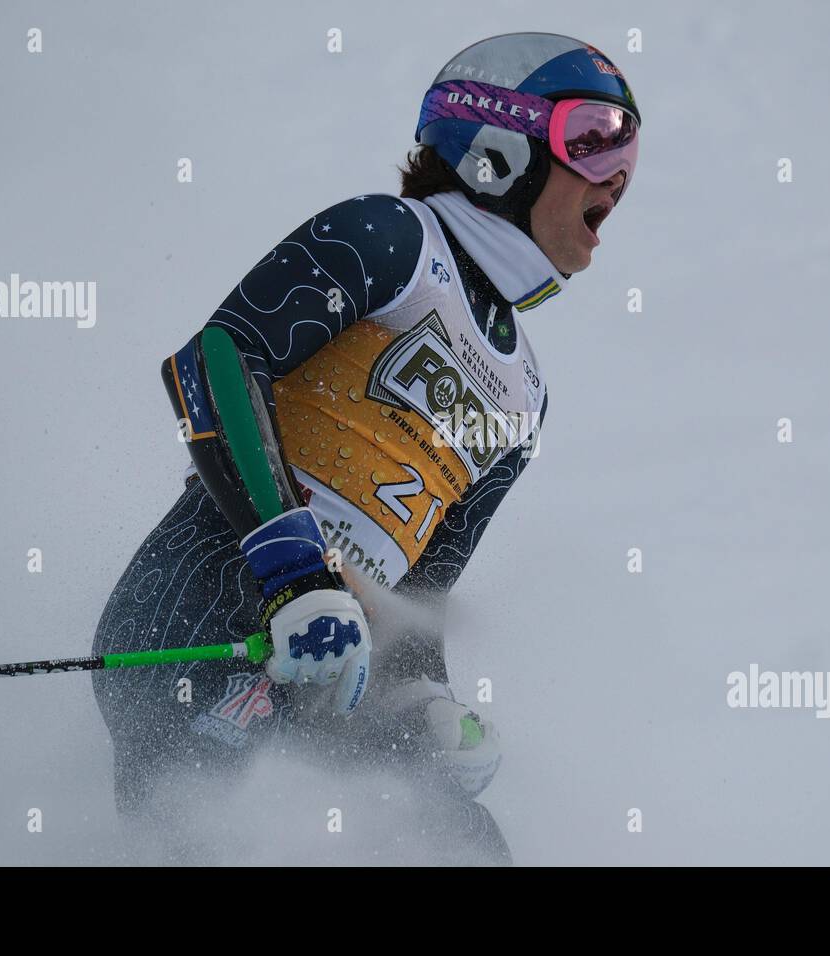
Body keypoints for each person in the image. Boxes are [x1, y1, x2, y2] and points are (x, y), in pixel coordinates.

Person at [91, 32, 641, 860]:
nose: (618, 170)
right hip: (202, 612)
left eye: (630, 152)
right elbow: (216, 361)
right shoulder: (396, 238)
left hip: (318, 666)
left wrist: (426, 701)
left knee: (462, 843)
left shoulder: (526, 389)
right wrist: (295, 570)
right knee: (206, 827)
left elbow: (418, 593)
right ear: (497, 147)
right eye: (592, 136)